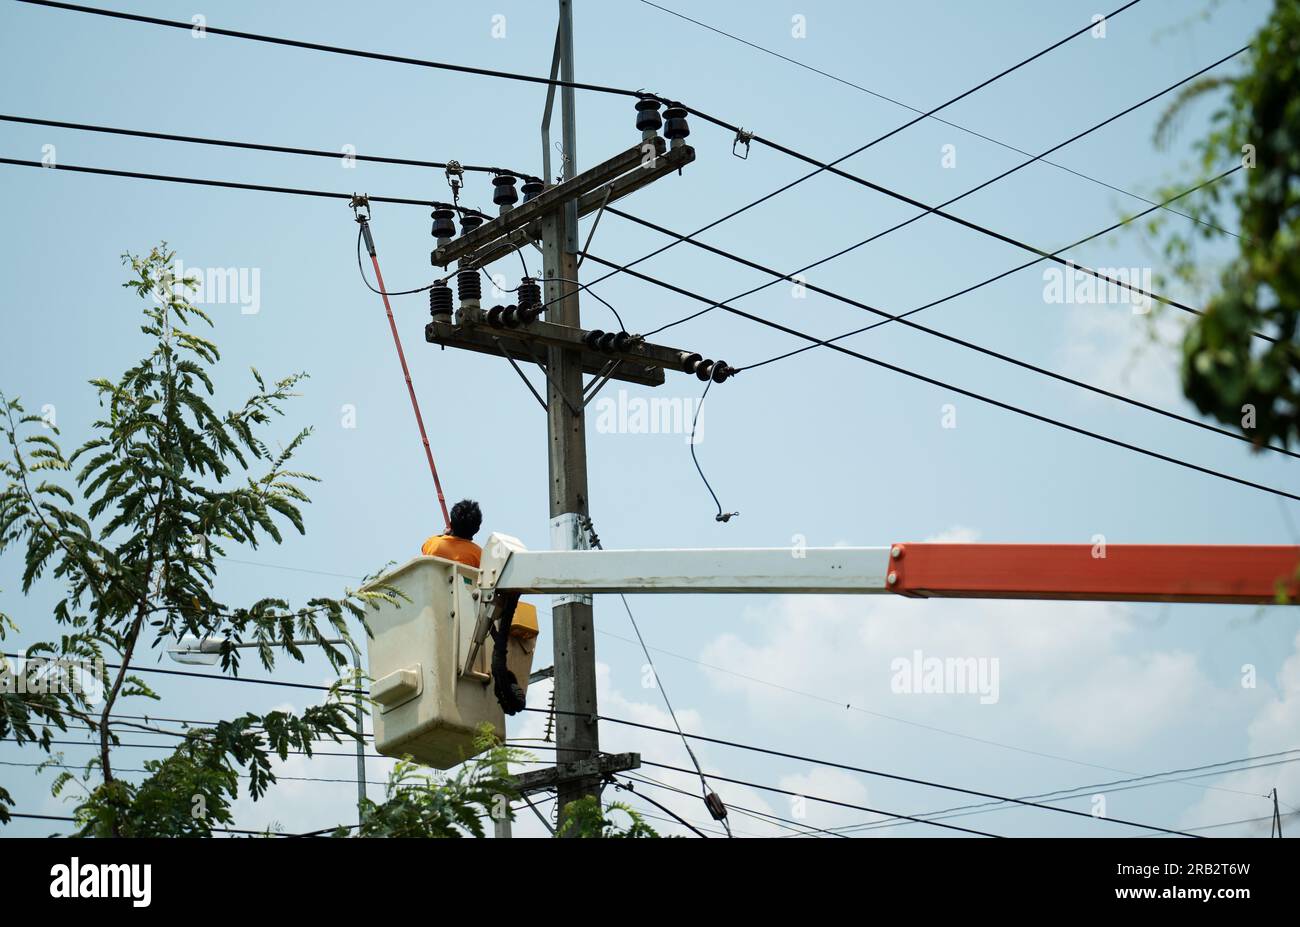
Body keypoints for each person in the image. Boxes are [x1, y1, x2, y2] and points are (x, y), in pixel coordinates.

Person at [421, 499, 483, 568]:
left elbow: (424, 550)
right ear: (477, 530)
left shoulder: (432, 543)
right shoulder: (479, 555)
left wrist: (443, 535)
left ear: (451, 524)